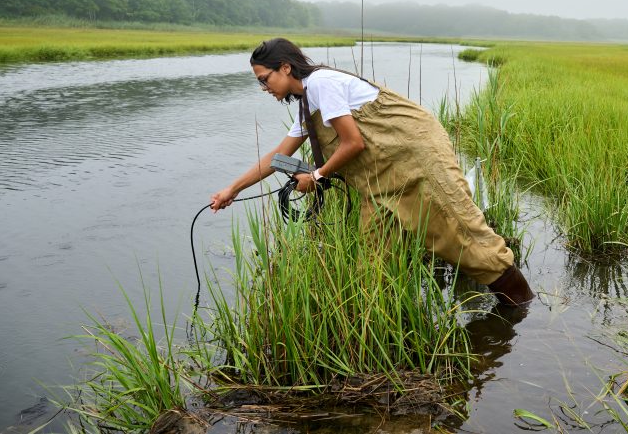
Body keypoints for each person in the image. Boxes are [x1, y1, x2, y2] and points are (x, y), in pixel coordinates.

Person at [210, 37, 535, 306]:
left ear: (285, 67)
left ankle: (520, 309)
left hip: (415, 156)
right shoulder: (307, 103)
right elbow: (277, 156)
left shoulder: (322, 84)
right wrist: (232, 190)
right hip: (379, 181)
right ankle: (385, 330)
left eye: (265, 79)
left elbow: (353, 143)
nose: (263, 87)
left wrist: (317, 176)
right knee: (373, 263)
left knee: (460, 236)